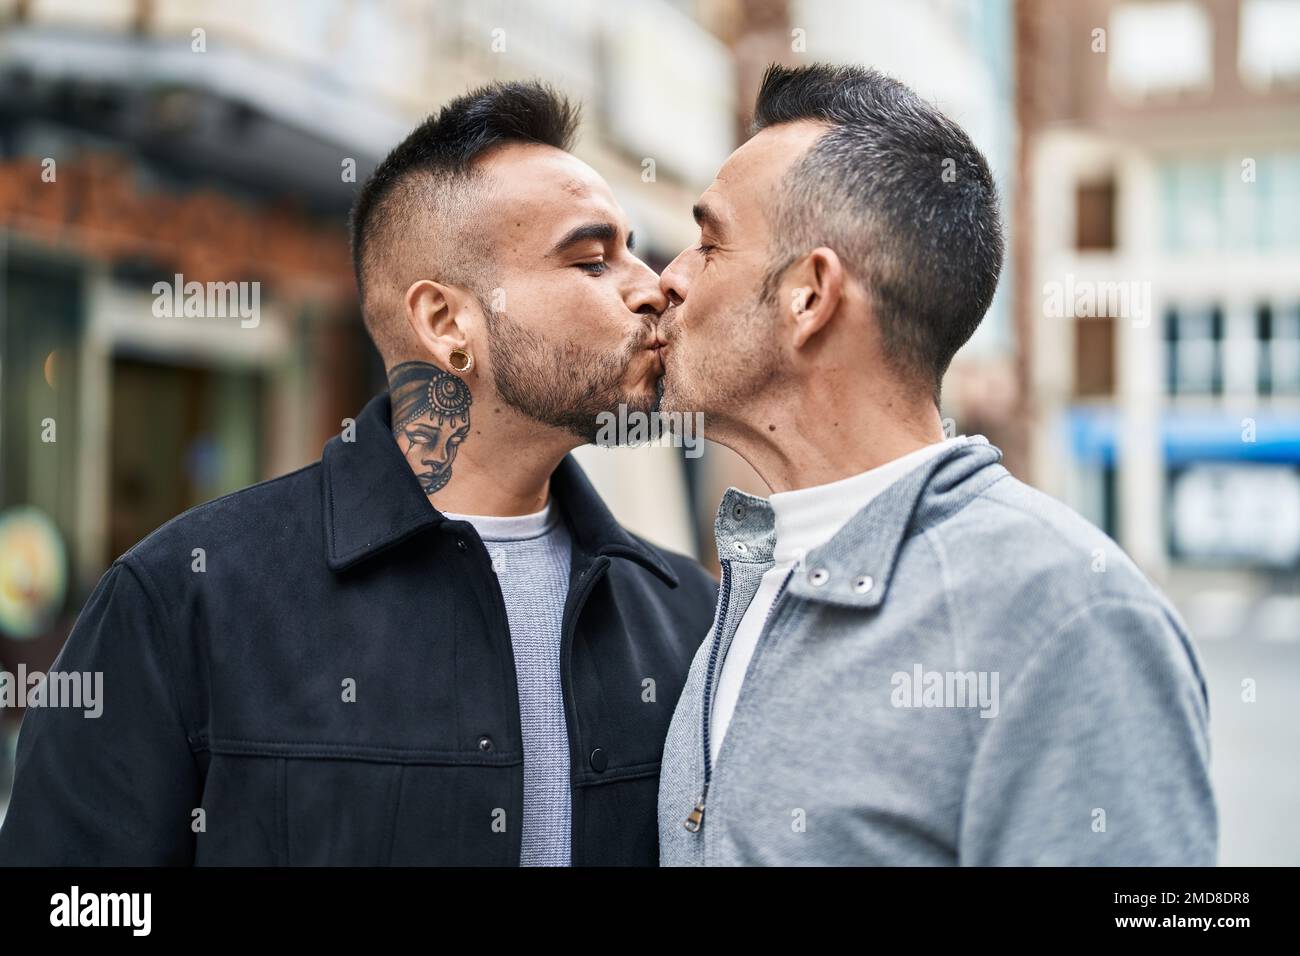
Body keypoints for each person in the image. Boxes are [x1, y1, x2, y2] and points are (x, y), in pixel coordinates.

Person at [0, 80, 717, 866]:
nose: (652, 287)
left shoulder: (688, 620)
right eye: (591, 259)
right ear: (447, 324)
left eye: (633, 250)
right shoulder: (185, 600)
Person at [655, 63, 1216, 865]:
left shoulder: (1069, 616)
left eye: (708, 242)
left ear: (809, 297)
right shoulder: (748, 582)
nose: (665, 279)